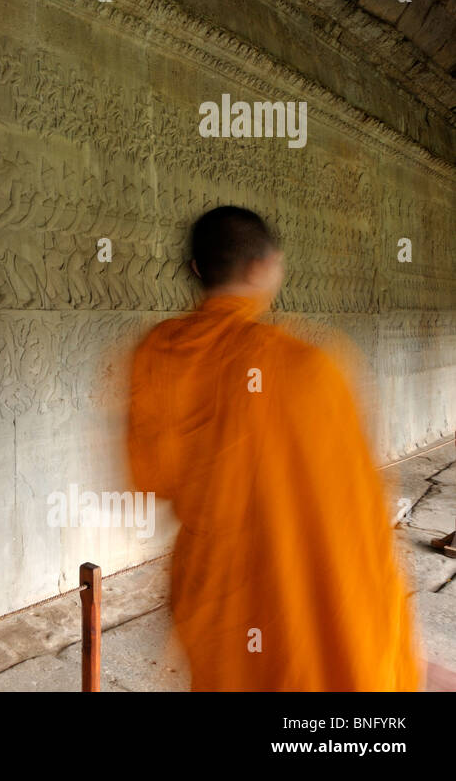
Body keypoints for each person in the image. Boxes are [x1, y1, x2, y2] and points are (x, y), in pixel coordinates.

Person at [125, 205, 420, 690]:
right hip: (299, 604)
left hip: (215, 597)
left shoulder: (159, 353)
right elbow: (358, 517)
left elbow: (150, 479)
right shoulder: (312, 366)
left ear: (198, 270)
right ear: (264, 267)